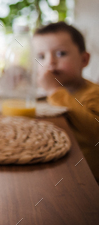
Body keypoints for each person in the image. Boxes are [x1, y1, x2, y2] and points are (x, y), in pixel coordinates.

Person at [33, 22, 99, 181]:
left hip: (86, 179)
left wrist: (54, 90)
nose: (50, 62)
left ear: (84, 60)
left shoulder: (93, 93)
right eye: (42, 56)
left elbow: (95, 132)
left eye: (61, 53)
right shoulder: (45, 96)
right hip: (55, 171)